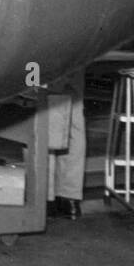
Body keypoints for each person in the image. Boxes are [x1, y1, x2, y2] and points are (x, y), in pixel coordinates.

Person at [46, 70, 86, 220]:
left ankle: (45, 197)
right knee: (73, 118)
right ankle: (70, 199)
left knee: (42, 113)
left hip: (39, 59)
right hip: (75, 56)